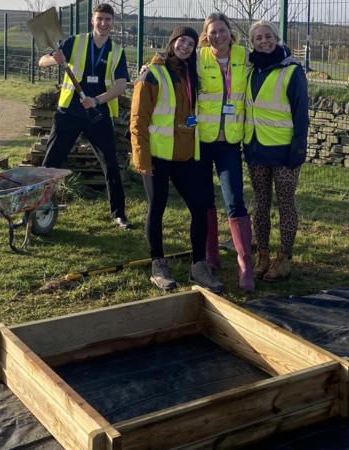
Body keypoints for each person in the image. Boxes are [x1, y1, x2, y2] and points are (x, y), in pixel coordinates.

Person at [130, 25, 224, 293]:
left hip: (184, 156)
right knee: (157, 207)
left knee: (200, 206)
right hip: (157, 157)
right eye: (182, 41)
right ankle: (158, 264)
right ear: (172, 42)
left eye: (191, 44)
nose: (185, 47)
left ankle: (198, 265)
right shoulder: (152, 74)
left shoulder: (191, 75)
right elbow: (138, 120)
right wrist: (142, 159)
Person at [38, 3, 131, 230]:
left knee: (110, 163)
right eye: (100, 18)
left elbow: (121, 86)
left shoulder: (116, 51)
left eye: (108, 19)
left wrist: (97, 100)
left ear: (112, 22)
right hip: (69, 112)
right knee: (50, 163)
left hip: (98, 115)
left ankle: (119, 214)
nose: (103, 23)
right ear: (92, 20)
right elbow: (42, 62)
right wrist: (55, 59)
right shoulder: (75, 42)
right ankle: (37, 208)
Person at [244, 21, 308, 281]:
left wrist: (298, 149)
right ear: (252, 42)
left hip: (283, 151)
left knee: (285, 203)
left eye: (268, 36)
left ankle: (284, 257)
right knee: (260, 205)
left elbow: (301, 112)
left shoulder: (292, 70)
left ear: (277, 38)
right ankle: (262, 255)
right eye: (258, 37)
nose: (264, 41)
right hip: (256, 148)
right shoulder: (250, 70)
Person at [197, 13, 254, 292]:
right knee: (205, 198)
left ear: (230, 33)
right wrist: (152, 64)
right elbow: (172, 64)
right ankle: (211, 256)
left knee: (234, 199)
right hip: (203, 140)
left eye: (222, 30)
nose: (217, 36)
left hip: (230, 141)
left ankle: (246, 264)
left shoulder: (244, 56)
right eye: (212, 32)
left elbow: (269, 58)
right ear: (205, 36)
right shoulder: (198, 58)